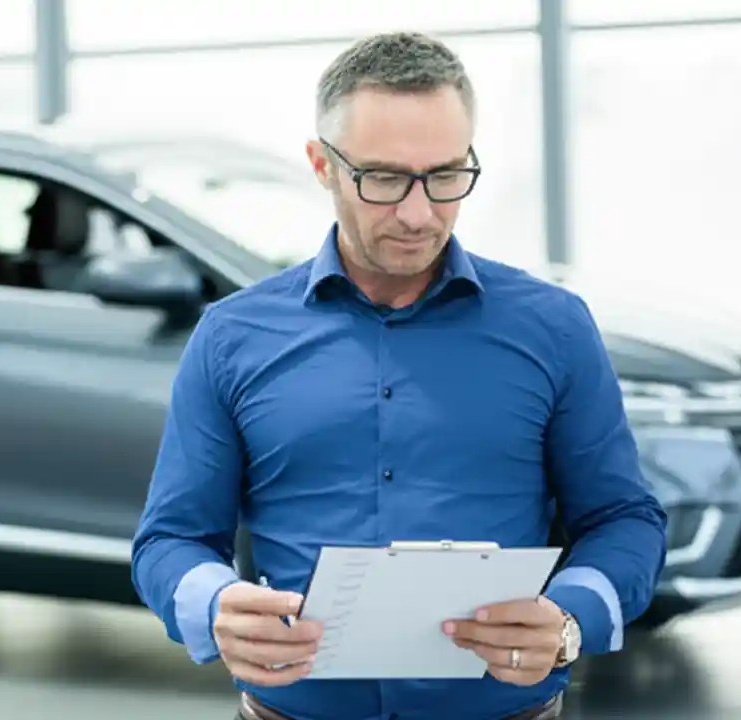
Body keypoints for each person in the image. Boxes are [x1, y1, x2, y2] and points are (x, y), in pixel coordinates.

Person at [130, 31, 668, 720]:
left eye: (446, 176)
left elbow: (624, 519)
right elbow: (170, 540)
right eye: (383, 179)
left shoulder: (555, 329)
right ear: (321, 165)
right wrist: (213, 603)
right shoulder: (232, 338)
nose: (419, 214)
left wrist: (569, 621)